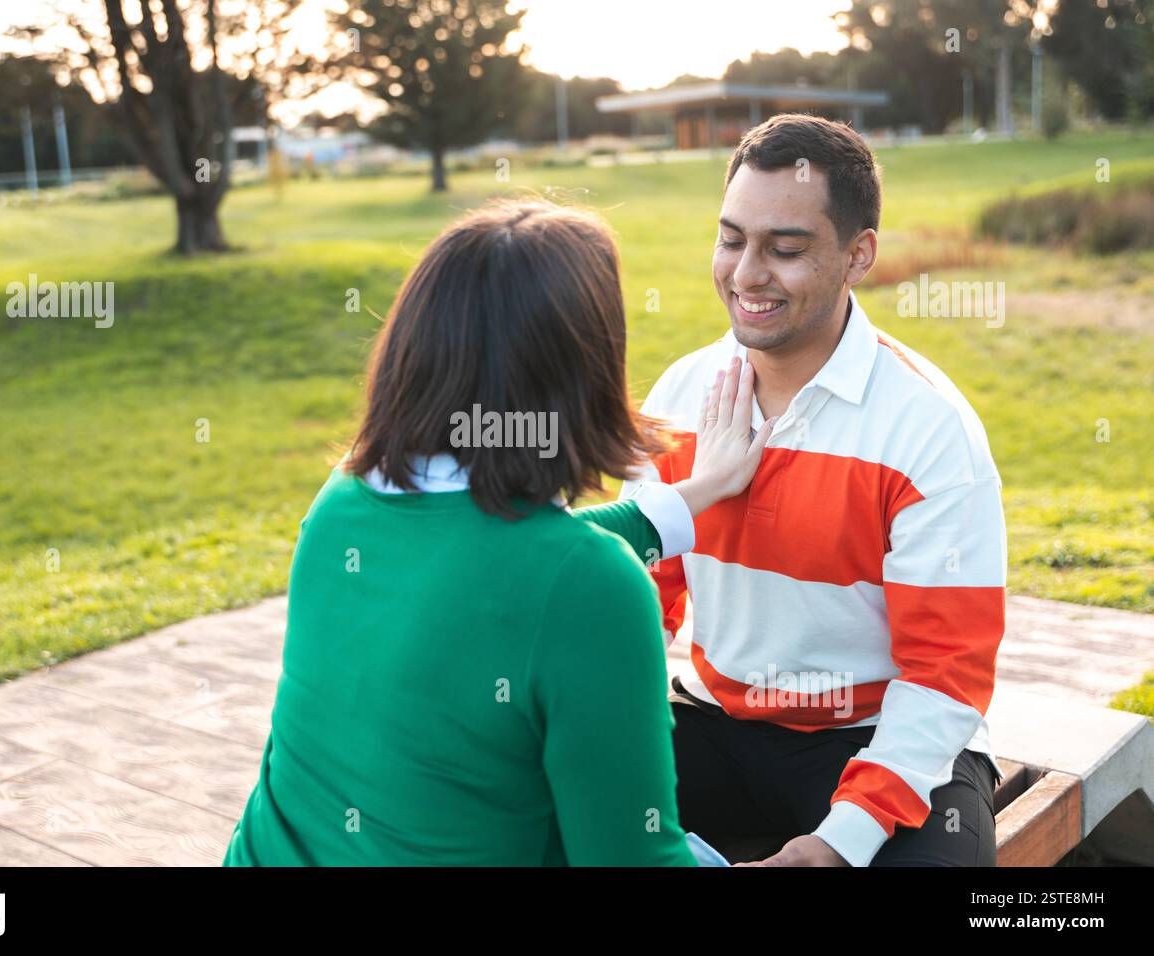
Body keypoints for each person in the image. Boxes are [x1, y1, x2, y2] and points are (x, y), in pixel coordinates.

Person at [223, 198, 772, 866]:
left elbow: (493, 565)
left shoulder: (341, 502)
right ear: (582, 371)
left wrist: (695, 495)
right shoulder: (591, 586)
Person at [621, 114, 1007, 867]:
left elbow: (944, 677)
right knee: (531, 811)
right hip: (712, 720)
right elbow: (646, 600)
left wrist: (836, 845)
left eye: (785, 249)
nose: (745, 273)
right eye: (732, 239)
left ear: (858, 254)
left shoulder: (930, 429)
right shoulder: (681, 391)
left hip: (874, 735)